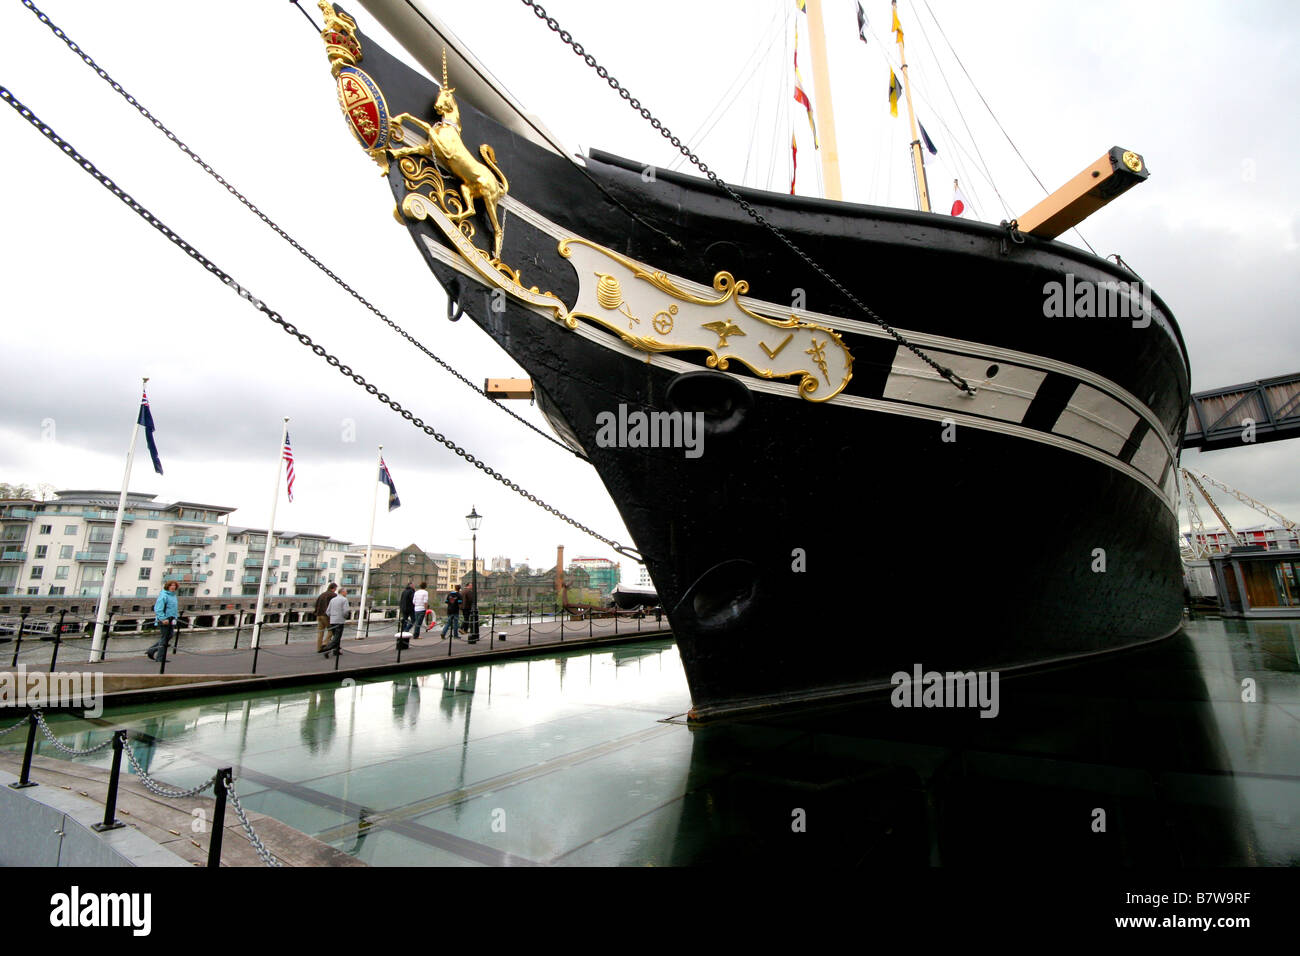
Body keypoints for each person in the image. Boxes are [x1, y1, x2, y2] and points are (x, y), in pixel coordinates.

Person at [147, 580, 180, 661]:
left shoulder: (173, 596)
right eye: (171, 585)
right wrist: (163, 618)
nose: (173, 587)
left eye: (174, 585)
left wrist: (175, 618)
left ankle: (152, 650)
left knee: (170, 635)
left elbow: (173, 608)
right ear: (168, 586)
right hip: (165, 619)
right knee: (165, 637)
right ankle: (160, 657)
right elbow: (158, 609)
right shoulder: (163, 595)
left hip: (172, 619)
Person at [322, 587, 349, 657]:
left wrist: (332, 616)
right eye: (346, 592)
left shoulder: (333, 600)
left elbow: (328, 611)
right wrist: (345, 617)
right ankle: (327, 650)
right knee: (337, 637)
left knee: (336, 636)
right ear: (342, 592)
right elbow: (346, 611)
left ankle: (336, 651)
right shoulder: (344, 600)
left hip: (332, 620)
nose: (346, 593)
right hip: (340, 620)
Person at [314, 582, 338, 652]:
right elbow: (334, 606)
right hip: (326, 616)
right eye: (335, 588)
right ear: (333, 588)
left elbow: (316, 604)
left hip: (319, 615)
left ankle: (318, 648)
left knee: (320, 632)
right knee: (331, 630)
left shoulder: (322, 594)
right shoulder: (333, 595)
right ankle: (324, 644)